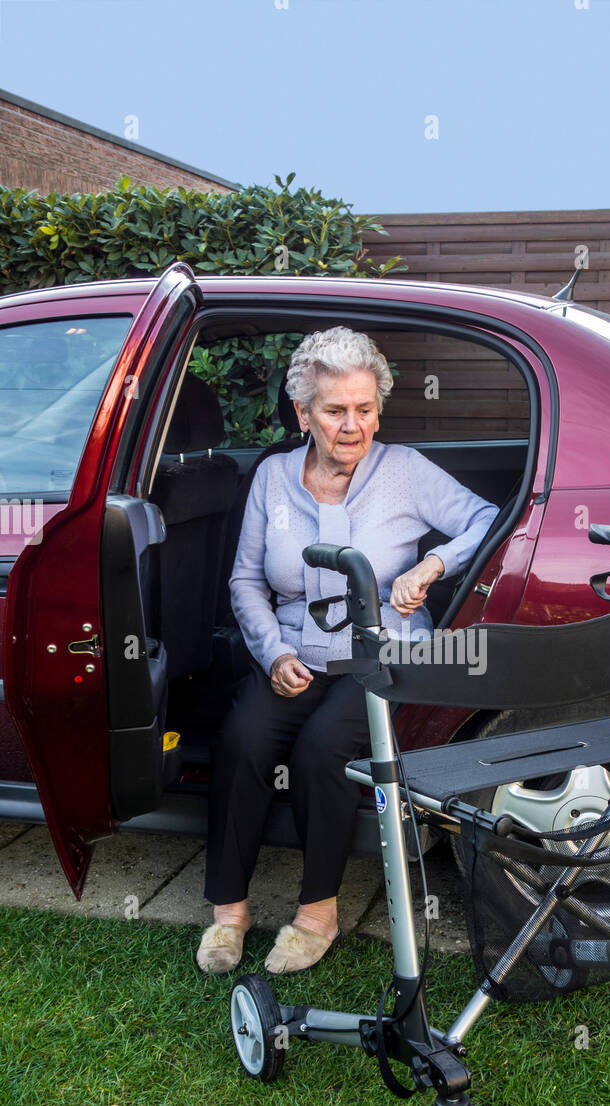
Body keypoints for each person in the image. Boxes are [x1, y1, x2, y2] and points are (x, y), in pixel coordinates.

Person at [197, 325, 498, 975]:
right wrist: (274, 654)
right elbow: (245, 580)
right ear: (303, 413)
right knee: (241, 741)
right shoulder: (274, 478)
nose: (352, 425)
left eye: (365, 409)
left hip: (378, 653)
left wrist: (433, 565)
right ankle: (228, 910)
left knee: (321, 752)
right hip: (293, 654)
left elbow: (486, 518)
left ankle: (317, 912)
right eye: (335, 410)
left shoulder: (406, 472)